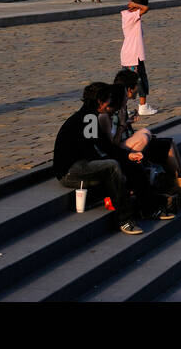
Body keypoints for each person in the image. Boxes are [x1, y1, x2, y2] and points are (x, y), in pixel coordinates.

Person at [52, 82, 143, 235]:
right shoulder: (88, 118)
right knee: (112, 166)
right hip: (69, 172)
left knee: (117, 165)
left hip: (79, 165)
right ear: (100, 101)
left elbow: (104, 145)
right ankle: (125, 219)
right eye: (108, 99)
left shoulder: (89, 116)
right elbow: (91, 152)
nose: (110, 103)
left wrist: (127, 156)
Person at [110, 73, 181, 205]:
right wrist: (124, 124)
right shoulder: (114, 109)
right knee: (147, 136)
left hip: (130, 144)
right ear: (129, 90)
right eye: (136, 87)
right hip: (124, 151)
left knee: (170, 144)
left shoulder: (123, 105)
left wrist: (128, 123)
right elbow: (112, 141)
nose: (138, 90)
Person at [120, 0, 156, 115]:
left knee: (126, 83)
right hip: (134, 54)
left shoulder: (126, 14)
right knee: (139, 81)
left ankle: (123, 108)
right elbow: (146, 9)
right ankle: (143, 106)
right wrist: (136, 5)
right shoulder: (131, 15)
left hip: (127, 54)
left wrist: (134, 5)